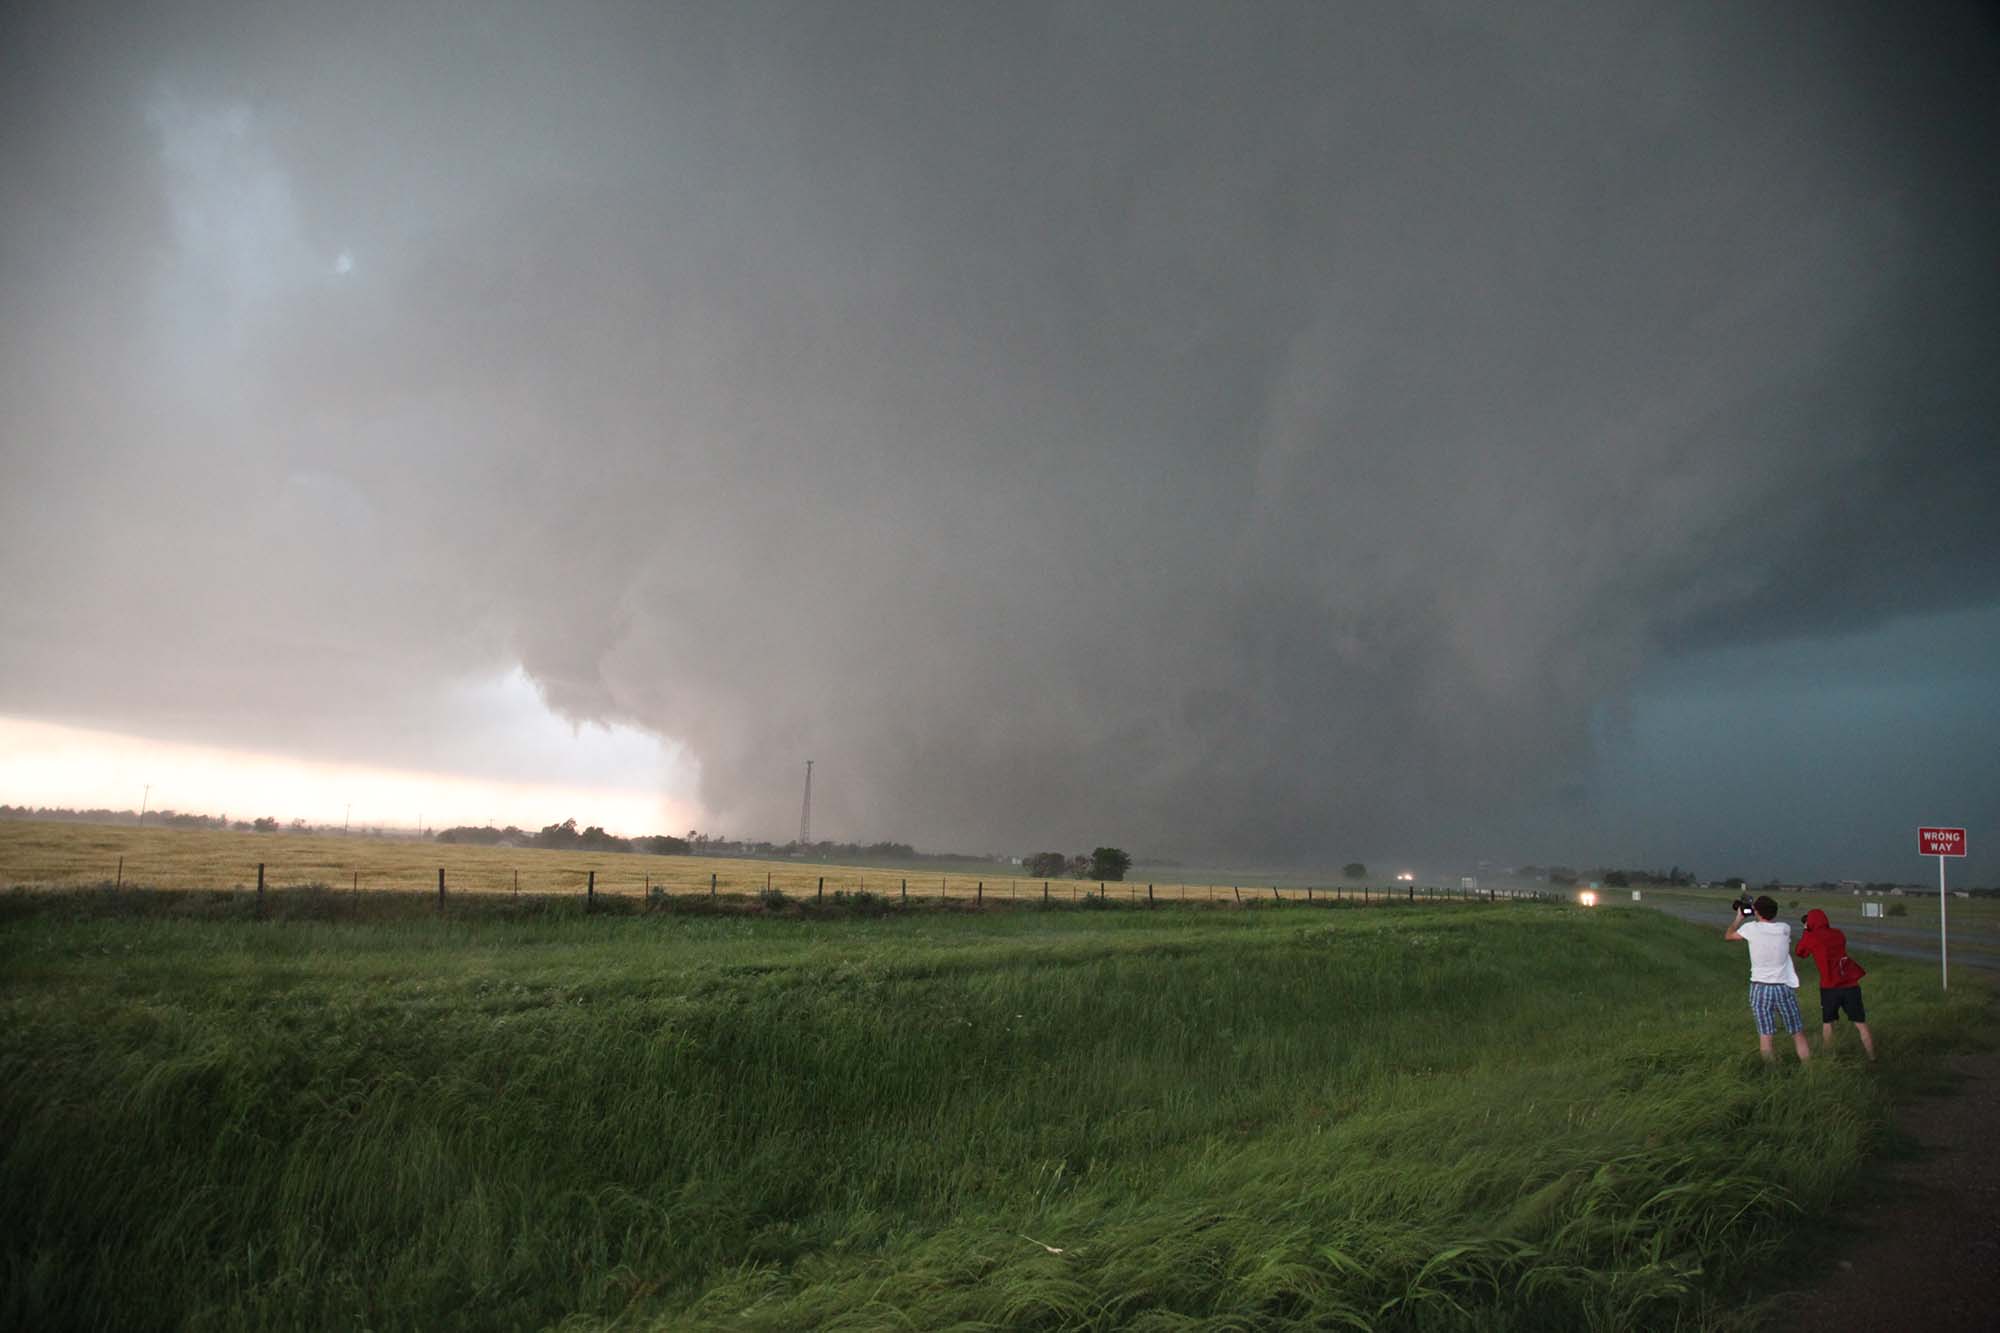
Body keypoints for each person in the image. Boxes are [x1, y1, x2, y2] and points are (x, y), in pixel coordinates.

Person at [1724, 895, 1811, 1063]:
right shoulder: (1785, 928)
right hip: (1783, 986)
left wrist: (1739, 917)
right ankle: (1810, 1069)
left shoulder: (1750, 928)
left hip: (1760, 988)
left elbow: (1728, 935)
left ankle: (1771, 1072)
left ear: (1756, 912)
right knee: (1797, 1033)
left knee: (1765, 1035)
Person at [1796, 908, 1877, 1060]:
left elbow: (1801, 952)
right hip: (1850, 984)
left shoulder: (1811, 937)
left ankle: (1829, 1057)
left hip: (1829, 987)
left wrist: (1807, 931)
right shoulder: (1838, 934)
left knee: (1828, 1023)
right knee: (1861, 1023)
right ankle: (1872, 1056)